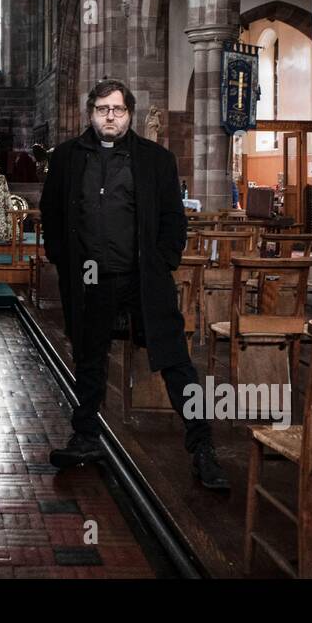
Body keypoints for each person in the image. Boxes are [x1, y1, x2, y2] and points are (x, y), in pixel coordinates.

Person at [40, 78, 229, 490]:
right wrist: (64, 261)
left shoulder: (156, 159)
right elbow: (52, 214)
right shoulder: (69, 158)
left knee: (175, 360)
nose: (111, 116)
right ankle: (86, 436)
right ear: (91, 112)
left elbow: (172, 222)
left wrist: (162, 263)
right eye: (103, 109)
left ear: (129, 114)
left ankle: (202, 448)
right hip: (90, 279)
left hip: (143, 279)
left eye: (118, 109)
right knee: (89, 358)